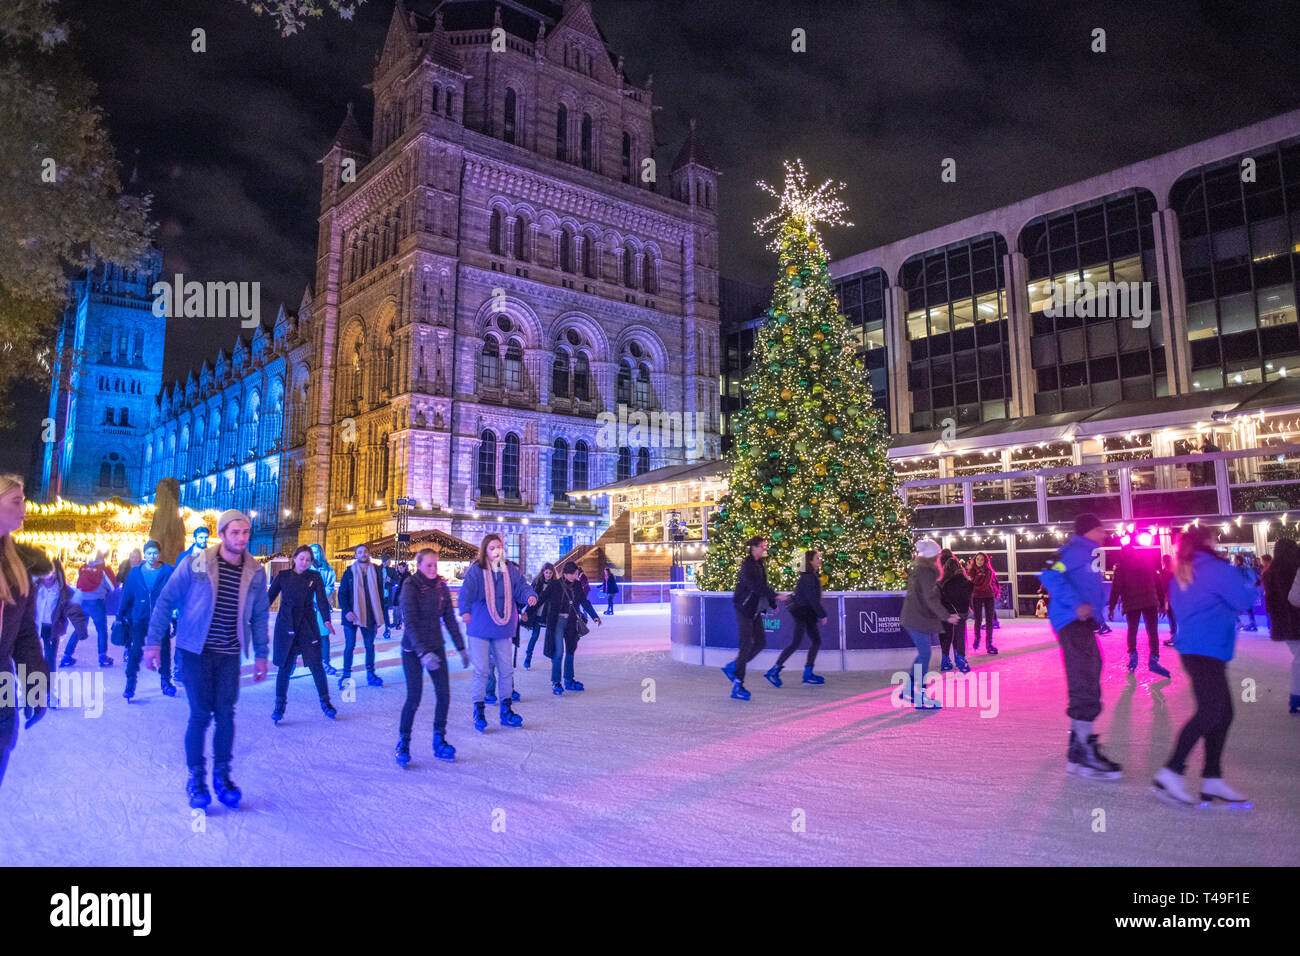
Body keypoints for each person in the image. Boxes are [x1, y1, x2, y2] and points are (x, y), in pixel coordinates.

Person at [144, 509, 269, 810]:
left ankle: (222, 775)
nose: (241, 538)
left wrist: (262, 653)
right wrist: (152, 643)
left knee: (226, 714)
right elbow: (166, 599)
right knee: (201, 714)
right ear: (222, 534)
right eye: (235, 532)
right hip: (195, 651)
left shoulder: (255, 569)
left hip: (229, 653)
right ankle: (197, 777)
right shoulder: (197, 561)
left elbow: (260, 613)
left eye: (245, 532)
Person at [1152, 527, 1256, 807]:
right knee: (1212, 712)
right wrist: (1249, 576)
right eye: (1215, 538)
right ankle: (1171, 771)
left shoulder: (1181, 572)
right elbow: (1245, 600)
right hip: (1209, 650)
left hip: (1194, 649)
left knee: (1222, 713)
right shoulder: (1217, 569)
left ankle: (1212, 778)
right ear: (1208, 542)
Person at [1039, 513, 1122, 780]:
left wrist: (1096, 615)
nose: (1104, 534)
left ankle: (1078, 748)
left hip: (1081, 622)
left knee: (1089, 671)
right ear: (1089, 530)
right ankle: (1084, 750)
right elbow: (1049, 573)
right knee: (1085, 676)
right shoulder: (1074, 551)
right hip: (1071, 621)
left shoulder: (1086, 553)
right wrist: (1077, 604)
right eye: (1100, 529)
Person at [0, 474, 51, 789]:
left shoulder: (19, 565)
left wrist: (36, 687)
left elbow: (26, 637)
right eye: (16, 501)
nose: (25, 508)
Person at [397, 548, 469, 766]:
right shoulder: (410, 587)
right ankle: (404, 743)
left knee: (444, 694)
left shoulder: (440, 587)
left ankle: (439, 739)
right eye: (428, 565)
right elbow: (409, 623)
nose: (433, 569)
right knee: (414, 697)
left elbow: (449, 619)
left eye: (435, 565)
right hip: (413, 650)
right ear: (418, 565)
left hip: (435, 647)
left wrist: (461, 648)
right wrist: (422, 652)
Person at [458, 534, 536, 732]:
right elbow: (466, 591)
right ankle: (479, 710)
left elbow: (521, 587)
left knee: (506, 670)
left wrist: (529, 596)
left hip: (503, 627)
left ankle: (506, 710)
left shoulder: (509, 569)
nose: (496, 551)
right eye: (492, 547)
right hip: (480, 627)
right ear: (486, 550)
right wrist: (465, 610)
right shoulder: (477, 570)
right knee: (482, 670)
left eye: (499, 547)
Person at [267, 545, 338, 724]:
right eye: (302, 558)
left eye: (308, 560)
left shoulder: (314, 577)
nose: (305, 562)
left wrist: (327, 620)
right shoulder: (283, 577)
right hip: (286, 626)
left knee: (316, 665)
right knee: (284, 667)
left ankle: (326, 702)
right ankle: (279, 705)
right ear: (295, 558)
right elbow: (268, 598)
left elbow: (322, 600)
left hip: (307, 627)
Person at [117, 540, 177, 700]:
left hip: (160, 620)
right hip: (139, 619)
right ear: (145, 554)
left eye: (155, 553)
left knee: (164, 651)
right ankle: (130, 684)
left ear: (159, 554)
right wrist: (120, 615)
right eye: (149, 553)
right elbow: (127, 595)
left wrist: (175, 614)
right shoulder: (135, 573)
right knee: (135, 651)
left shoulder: (167, 571)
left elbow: (175, 593)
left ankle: (165, 681)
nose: (152, 556)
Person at [899, 540, 955, 709]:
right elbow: (929, 597)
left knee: (924, 655)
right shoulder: (927, 571)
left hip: (915, 617)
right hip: (918, 618)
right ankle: (919, 695)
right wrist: (946, 616)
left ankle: (909, 688)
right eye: (937, 555)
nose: (939, 558)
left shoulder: (921, 569)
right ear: (933, 556)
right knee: (925, 655)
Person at [723, 537, 777, 701]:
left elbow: (763, 585)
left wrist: (773, 603)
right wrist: (774, 596)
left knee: (760, 643)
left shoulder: (760, 564)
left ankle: (733, 666)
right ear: (754, 548)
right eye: (762, 546)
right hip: (744, 608)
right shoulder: (747, 565)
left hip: (754, 609)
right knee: (746, 644)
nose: (764, 549)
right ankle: (738, 684)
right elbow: (754, 586)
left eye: (765, 546)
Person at [1107, 544, 1171, 678]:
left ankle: (1133, 655)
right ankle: (1154, 659)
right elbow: (1158, 584)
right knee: (1152, 631)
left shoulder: (1121, 568)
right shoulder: (1147, 564)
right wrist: (1161, 603)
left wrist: (1112, 607)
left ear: (1123, 554)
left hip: (1132, 603)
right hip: (1150, 601)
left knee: (1132, 630)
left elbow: (1115, 589)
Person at [766, 550, 827, 686]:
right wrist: (822, 614)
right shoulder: (808, 577)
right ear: (810, 561)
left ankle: (806, 672)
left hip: (806, 612)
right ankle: (777, 670)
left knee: (811, 641)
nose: (819, 560)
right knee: (801, 642)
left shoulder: (811, 576)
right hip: (803, 612)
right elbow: (812, 598)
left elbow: (811, 598)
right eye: (817, 558)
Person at [541, 560, 602, 695]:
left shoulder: (577, 585)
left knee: (570, 650)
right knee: (558, 652)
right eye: (574, 574)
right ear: (567, 574)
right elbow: (542, 598)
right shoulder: (555, 585)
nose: (576, 576)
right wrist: (528, 612)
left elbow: (584, 601)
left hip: (571, 623)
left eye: (576, 574)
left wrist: (594, 616)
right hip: (557, 622)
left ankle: (569, 680)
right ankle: (556, 682)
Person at [338, 544, 387, 689]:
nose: (363, 554)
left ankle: (371, 674)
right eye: (360, 552)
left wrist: (380, 615)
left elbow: (379, 594)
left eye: (365, 551)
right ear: (356, 555)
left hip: (370, 614)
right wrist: (347, 611)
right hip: (352, 615)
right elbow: (342, 594)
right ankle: (346, 676)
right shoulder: (349, 572)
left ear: (368, 554)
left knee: (369, 646)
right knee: (350, 645)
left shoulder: (376, 571)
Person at [34, 559, 86, 696]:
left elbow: (74, 610)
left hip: (52, 628)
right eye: (46, 573)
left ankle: (50, 692)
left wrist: (81, 629)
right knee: (31, 659)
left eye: (52, 573)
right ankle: (31, 691)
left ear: (57, 574)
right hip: (34, 627)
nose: (49, 576)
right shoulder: (34, 587)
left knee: (50, 659)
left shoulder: (64, 592)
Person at [485, 558, 527, 703]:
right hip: (490, 630)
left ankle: (509, 689)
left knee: (506, 663)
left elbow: (520, 601)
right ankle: (489, 691)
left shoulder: (514, 589)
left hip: (506, 632)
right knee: (490, 662)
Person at [1268, 540, 1300, 714]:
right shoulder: (1291, 570)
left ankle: (1296, 697)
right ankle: (1296, 697)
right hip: (1295, 622)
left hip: (1285, 623)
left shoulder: (1272, 571)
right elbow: (1294, 598)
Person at [70, 552, 116, 667]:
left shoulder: (84, 568)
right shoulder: (104, 569)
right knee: (101, 629)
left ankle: (67, 655)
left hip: (82, 601)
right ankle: (102, 656)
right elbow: (112, 586)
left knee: (79, 627)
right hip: (96, 601)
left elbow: (79, 584)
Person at [938, 555, 973, 674]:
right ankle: (960, 659)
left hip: (947, 614)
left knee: (945, 636)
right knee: (959, 636)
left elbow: (941, 600)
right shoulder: (966, 581)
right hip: (961, 613)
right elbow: (968, 597)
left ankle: (945, 660)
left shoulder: (942, 583)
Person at [308, 543, 338, 675]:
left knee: (324, 635)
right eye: (312, 551)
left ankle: (325, 661)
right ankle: (293, 663)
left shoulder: (328, 569)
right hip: (307, 607)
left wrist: (320, 594)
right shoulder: (306, 568)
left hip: (321, 608)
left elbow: (330, 586)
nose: (315, 554)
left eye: (317, 551)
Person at [522, 563, 555, 669]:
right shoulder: (537, 583)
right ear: (543, 572)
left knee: (550, 637)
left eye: (550, 573)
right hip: (536, 614)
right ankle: (528, 658)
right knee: (534, 636)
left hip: (548, 615)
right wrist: (524, 610)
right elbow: (530, 598)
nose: (548, 575)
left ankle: (553, 659)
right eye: (546, 572)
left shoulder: (555, 585)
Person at [968, 552, 999, 653]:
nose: (979, 561)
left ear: (985, 561)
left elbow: (985, 585)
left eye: (981, 559)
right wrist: (976, 576)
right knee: (978, 619)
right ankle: (977, 640)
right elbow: (970, 584)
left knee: (989, 620)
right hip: (976, 597)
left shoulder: (989, 571)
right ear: (975, 560)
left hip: (988, 596)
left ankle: (989, 644)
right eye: (977, 559)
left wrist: (974, 582)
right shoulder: (971, 570)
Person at [1233, 554, 1259, 631]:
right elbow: (1254, 580)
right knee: (1249, 608)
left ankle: (1240, 623)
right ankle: (1252, 623)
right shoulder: (1247, 568)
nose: (1234, 562)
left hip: (1242, 592)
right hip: (1248, 592)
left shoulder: (1239, 569)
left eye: (1234, 560)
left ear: (1238, 561)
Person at [1158, 553, 1177, 648]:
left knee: (1172, 617)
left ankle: (1174, 637)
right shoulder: (1175, 571)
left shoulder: (1165, 572)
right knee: (1173, 617)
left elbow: (1162, 587)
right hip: (1176, 598)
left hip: (1170, 598)